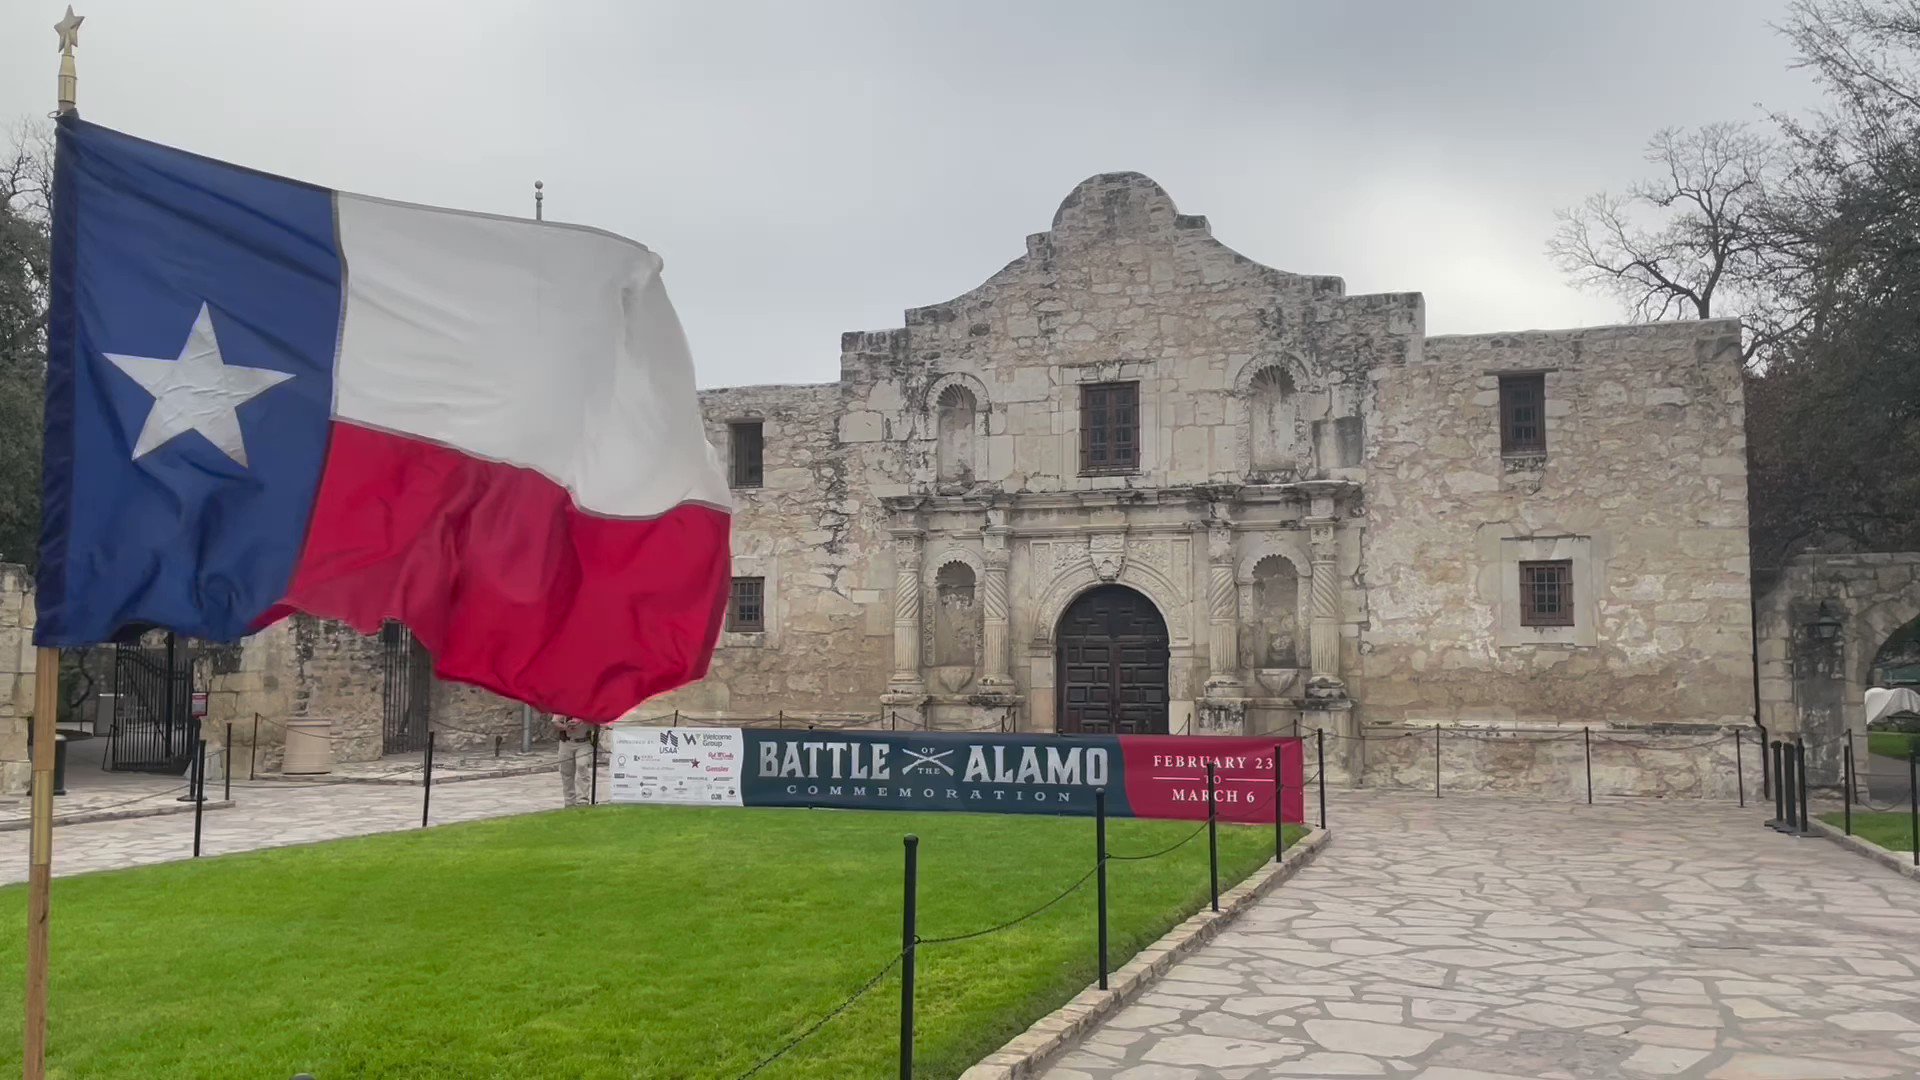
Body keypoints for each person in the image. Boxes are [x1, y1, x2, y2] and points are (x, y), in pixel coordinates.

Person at [553, 714, 596, 807]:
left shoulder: (589, 707)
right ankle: (569, 802)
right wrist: (565, 727)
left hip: (584, 742)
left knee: (582, 765)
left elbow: (596, 724)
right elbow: (555, 722)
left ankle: (582, 800)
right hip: (566, 742)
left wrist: (581, 720)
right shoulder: (564, 706)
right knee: (566, 772)